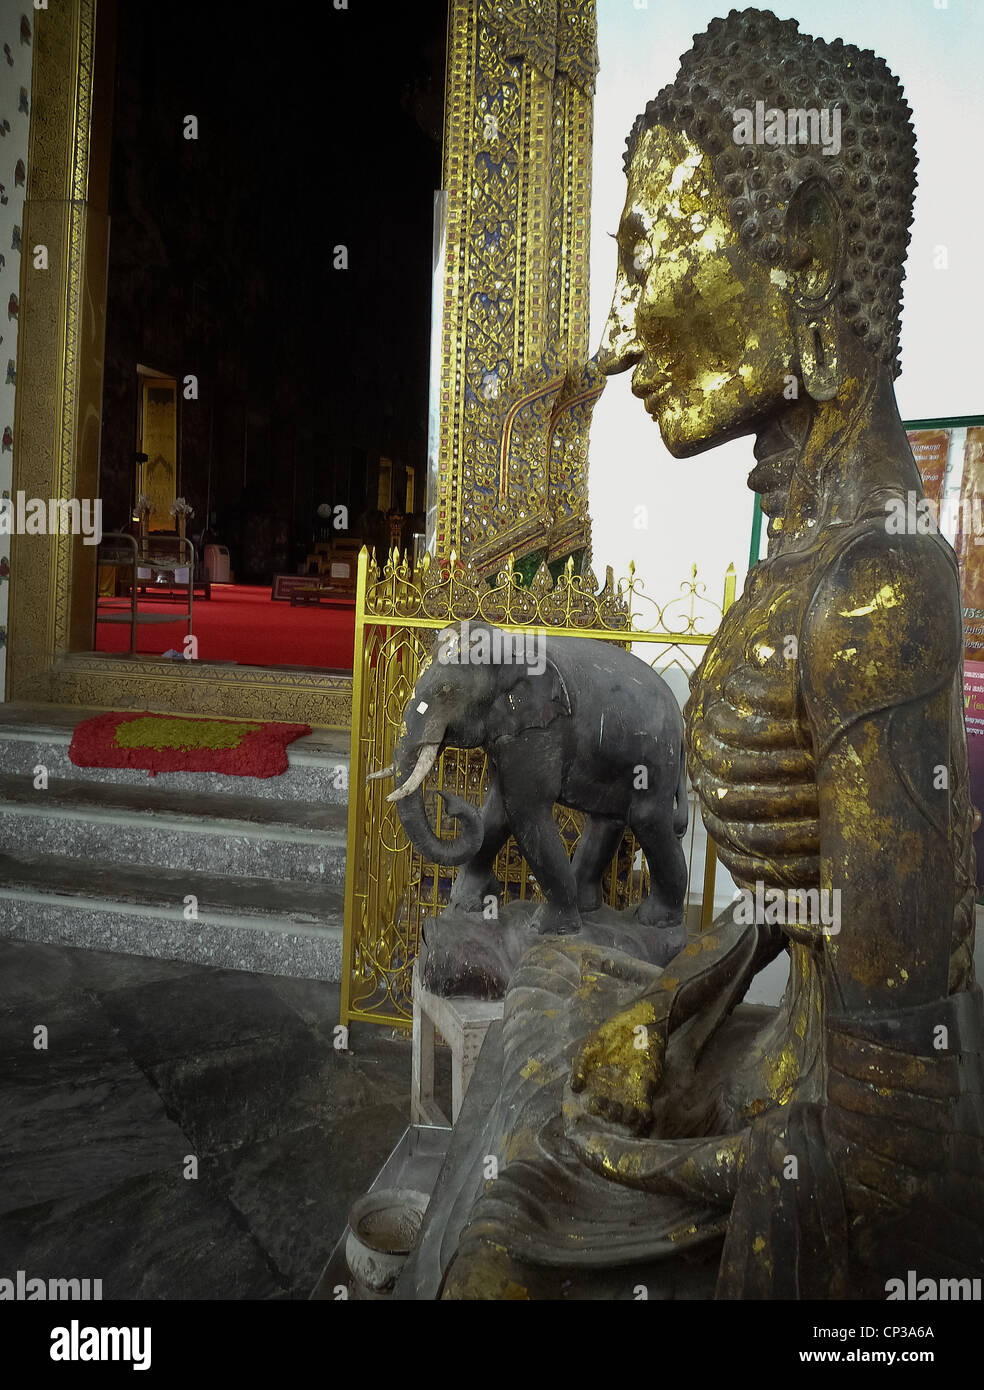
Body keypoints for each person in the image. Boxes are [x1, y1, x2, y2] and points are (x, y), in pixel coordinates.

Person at [440, 7, 984, 1300]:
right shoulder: (808, 532)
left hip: (820, 1155)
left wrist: (665, 1168)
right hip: (784, 1069)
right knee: (559, 978)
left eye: (644, 251)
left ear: (796, 243)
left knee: (504, 1217)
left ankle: (491, 1208)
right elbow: (812, 911)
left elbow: (901, 1128)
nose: (619, 331)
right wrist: (679, 1007)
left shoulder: (875, 591)